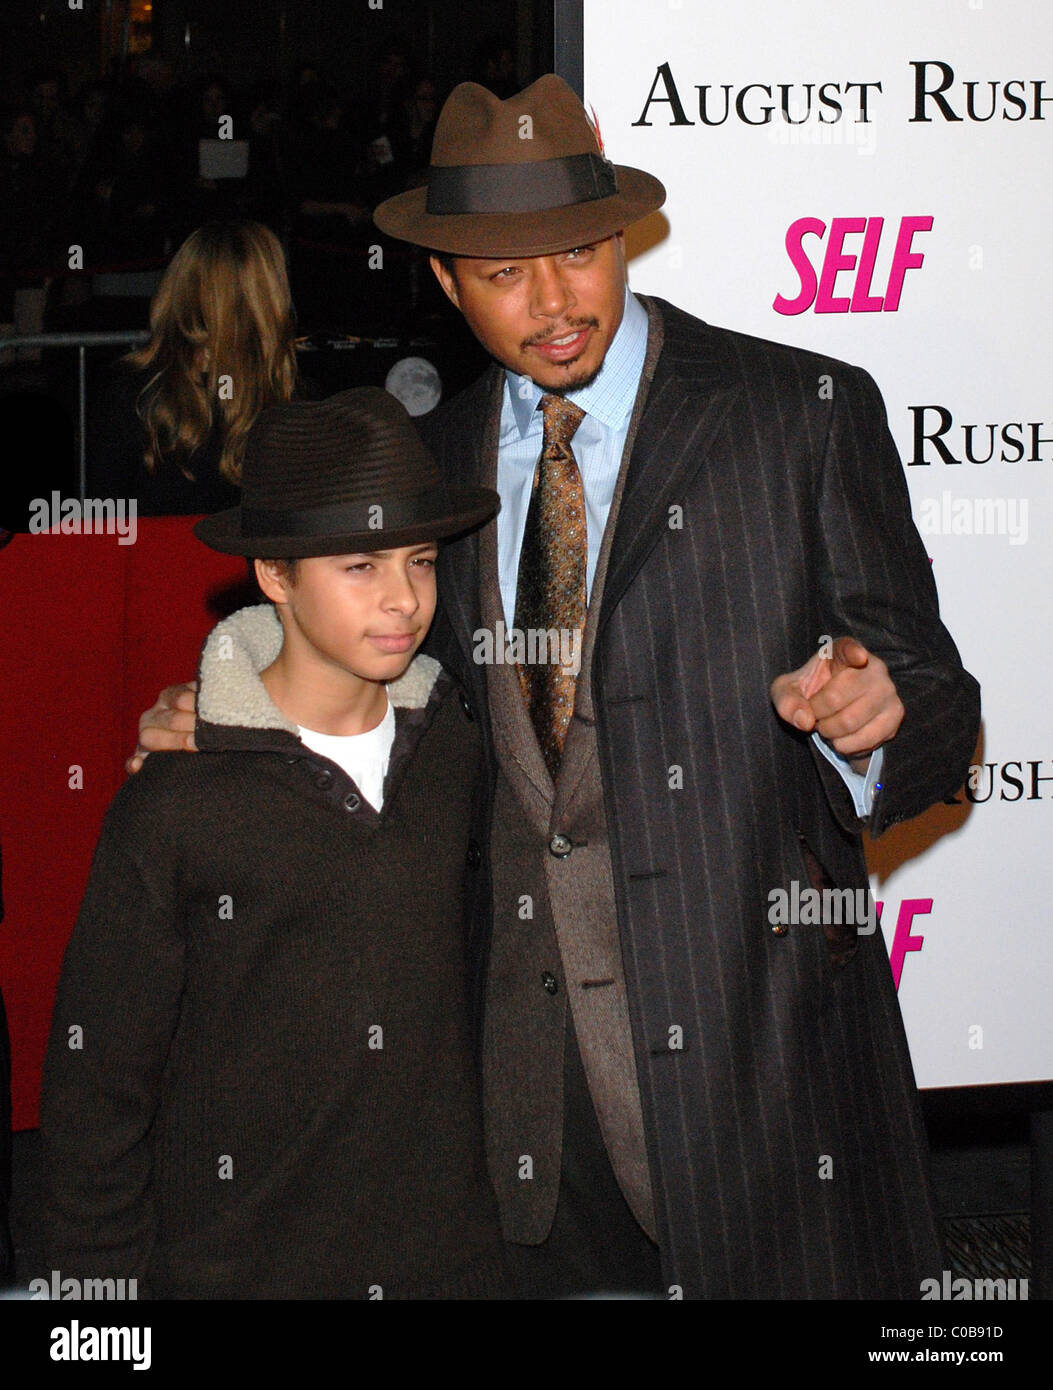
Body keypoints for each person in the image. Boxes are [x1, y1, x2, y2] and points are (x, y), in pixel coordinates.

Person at [134, 75, 981, 1300]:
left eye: (579, 254)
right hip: (523, 1092)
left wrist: (884, 712)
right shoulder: (431, 466)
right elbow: (383, 703)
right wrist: (235, 714)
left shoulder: (798, 412)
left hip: (762, 1072)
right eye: (504, 274)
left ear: (621, 232)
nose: (553, 303)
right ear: (443, 282)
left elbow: (938, 697)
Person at [40, 387, 510, 1299]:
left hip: (449, 1261)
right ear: (275, 576)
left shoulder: (458, 742)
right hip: (238, 1268)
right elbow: (98, 1088)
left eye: (420, 561)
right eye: (360, 566)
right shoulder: (178, 798)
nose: (404, 599)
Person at [88, 220, 300, 514]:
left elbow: (101, 512)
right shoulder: (290, 391)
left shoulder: (134, 387)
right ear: (270, 296)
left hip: (156, 556)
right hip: (237, 559)